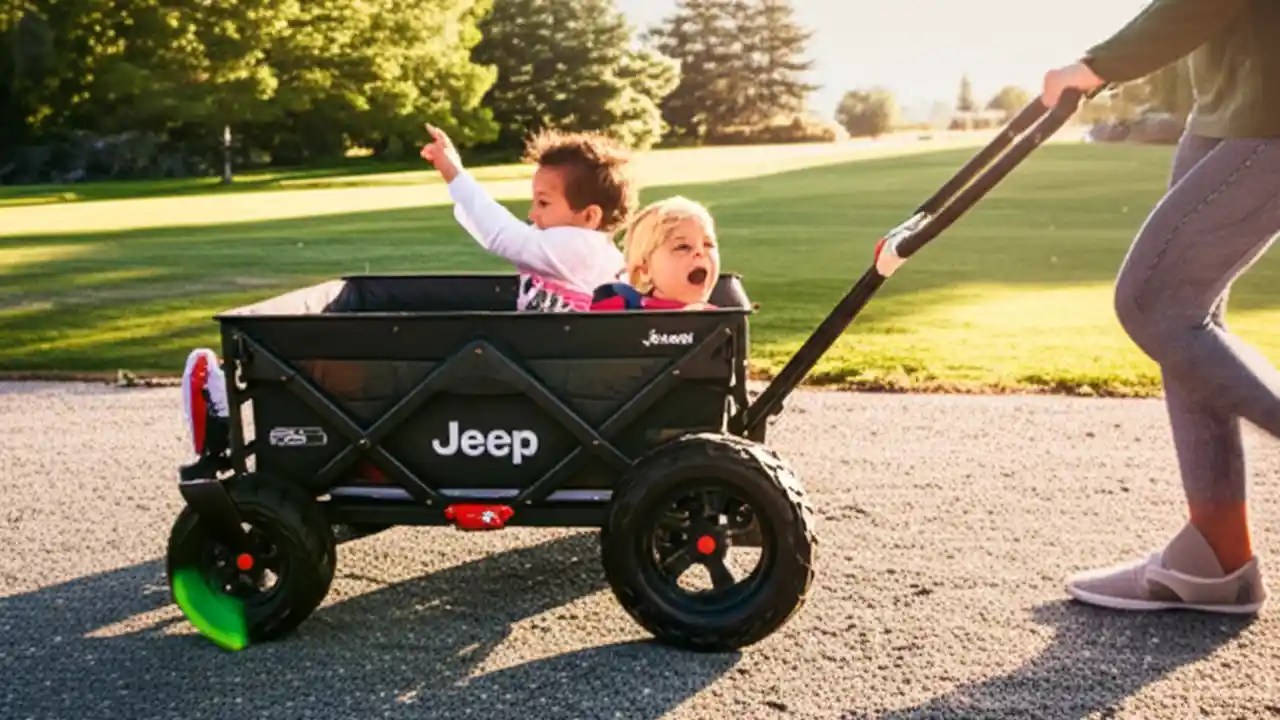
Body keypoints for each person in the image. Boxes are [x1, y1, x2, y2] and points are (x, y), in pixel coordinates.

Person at [1043, 0, 1280, 614]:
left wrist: (1100, 65)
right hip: (1229, 103)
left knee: (1152, 303)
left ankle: (1216, 557)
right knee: (1187, 322)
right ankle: (1216, 557)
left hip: (1270, 112)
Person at [421, 125, 631, 312]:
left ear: (589, 216)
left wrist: (454, 173)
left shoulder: (578, 248)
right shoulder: (596, 250)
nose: (532, 214)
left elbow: (503, 235)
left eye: (543, 203)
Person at [590, 196, 720, 311]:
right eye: (683, 247)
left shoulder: (723, 321)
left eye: (708, 244)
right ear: (645, 270)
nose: (700, 252)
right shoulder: (621, 310)